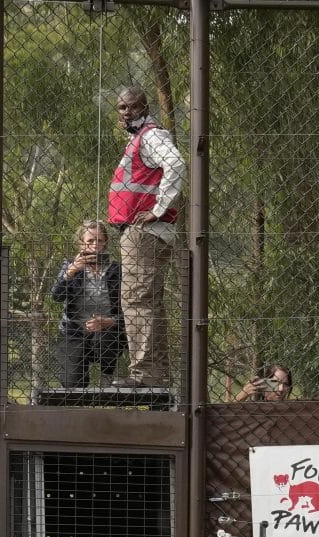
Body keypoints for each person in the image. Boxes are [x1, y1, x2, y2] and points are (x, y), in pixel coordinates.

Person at [108, 86, 185, 389]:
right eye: (122, 107)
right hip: (141, 232)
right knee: (146, 301)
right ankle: (156, 372)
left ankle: (146, 373)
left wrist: (158, 208)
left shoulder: (152, 136)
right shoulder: (139, 139)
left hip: (145, 232)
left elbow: (176, 163)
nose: (127, 112)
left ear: (145, 108)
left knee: (137, 300)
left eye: (132, 106)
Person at [50, 219, 124, 387]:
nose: (95, 245)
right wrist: (70, 272)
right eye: (90, 241)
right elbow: (56, 296)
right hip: (74, 331)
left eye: (99, 240)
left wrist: (111, 321)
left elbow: (129, 309)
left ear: (106, 243)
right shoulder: (70, 265)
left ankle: (107, 374)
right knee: (72, 384)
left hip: (106, 331)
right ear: (81, 244)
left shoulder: (116, 269)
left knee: (106, 338)